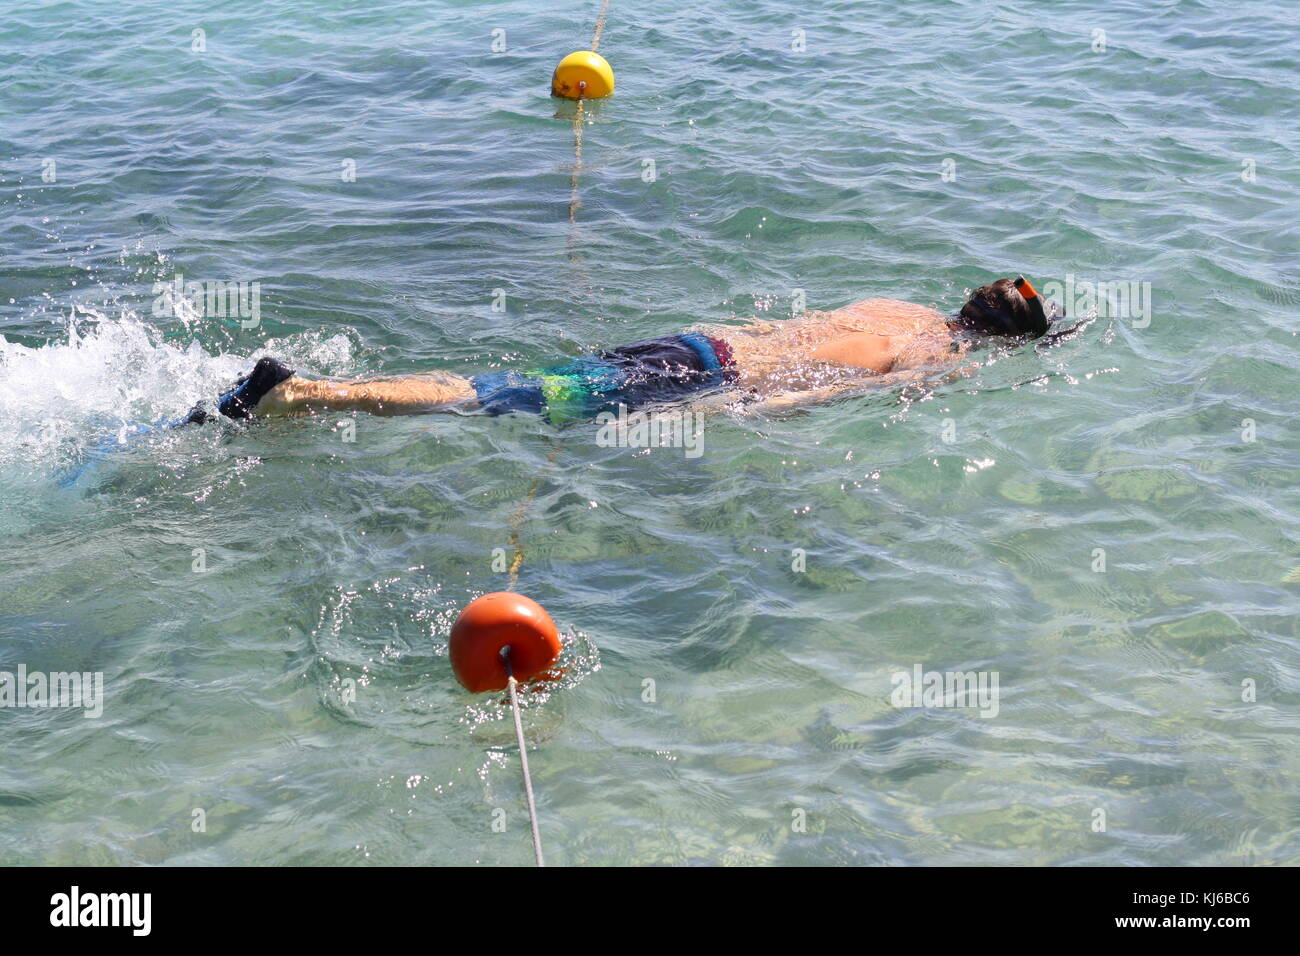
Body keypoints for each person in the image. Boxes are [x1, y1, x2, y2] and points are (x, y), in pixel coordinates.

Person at [192, 276, 1062, 426]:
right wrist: (753, 412)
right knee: (492, 395)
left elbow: (788, 327)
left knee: (513, 384)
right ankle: (305, 395)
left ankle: (312, 392)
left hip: (694, 342)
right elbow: (825, 394)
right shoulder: (937, 357)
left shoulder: (896, 304)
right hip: (706, 372)